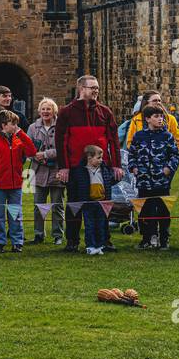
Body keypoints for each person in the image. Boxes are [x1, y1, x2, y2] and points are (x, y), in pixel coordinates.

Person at [55, 75, 123, 252]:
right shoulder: (66, 112)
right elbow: (61, 141)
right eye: (92, 87)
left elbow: (114, 141)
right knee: (75, 204)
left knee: (104, 203)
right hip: (77, 168)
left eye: (97, 87)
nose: (96, 90)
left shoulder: (105, 112)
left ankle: (104, 240)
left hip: (102, 166)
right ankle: (72, 241)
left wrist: (116, 165)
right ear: (81, 89)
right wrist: (64, 167)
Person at [129, 104, 179, 249]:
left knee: (163, 210)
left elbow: (175, 155)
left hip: (161, 181)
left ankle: (164, 238)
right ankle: (147, 238)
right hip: (144, 181)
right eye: (156, 117)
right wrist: (133, 167)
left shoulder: (167, 136)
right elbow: (132, 154)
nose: (160, 119)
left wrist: (169, 168)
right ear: (148, 119)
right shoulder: (139, 136)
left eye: (161, 117)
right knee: (145, 211)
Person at [0, 110, 35, 254]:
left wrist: (22, 134)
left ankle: (17, 242)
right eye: (13, 124)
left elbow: (31, 151)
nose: (16, 126)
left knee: (15, 215)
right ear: (4, 125)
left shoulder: (19, 140)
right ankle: (0, 242)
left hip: (15, 185)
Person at [27, 98, 65, 245]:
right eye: (43, 109)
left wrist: (45, 154)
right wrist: (37, 157)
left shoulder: (61, 126)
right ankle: (38, 234)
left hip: (57, 170)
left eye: (48, 109)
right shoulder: (32, 128)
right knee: (38, 205)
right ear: (39, 111)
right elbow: (27, 147)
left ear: (54, 111)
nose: (45, 112)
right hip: (38, 170)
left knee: (57, 205)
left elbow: (63, 148)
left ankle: (58, 235)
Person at [69, 145, 114, 255]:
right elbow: (76, 186)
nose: (101, 160)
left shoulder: (104, 170)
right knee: (89, 225)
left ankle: (100, 245)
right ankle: (90, 246)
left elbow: (109, 181)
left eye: (101, 158)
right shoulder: (81, 171)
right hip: (88, 203)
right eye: (98, 158)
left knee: (101, 225)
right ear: (89, 158)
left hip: (102, 203)